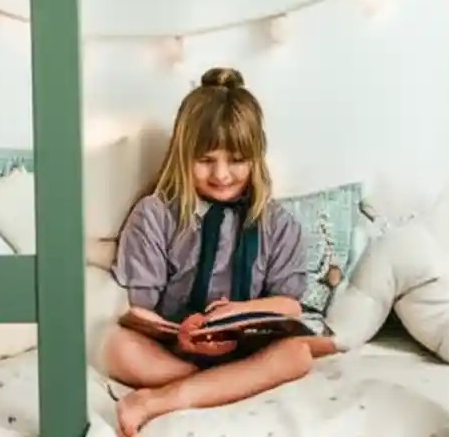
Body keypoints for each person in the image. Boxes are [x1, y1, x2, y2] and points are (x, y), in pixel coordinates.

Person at [104, 66, 336, 436]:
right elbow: (137, 311)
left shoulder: (278, 224)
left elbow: (289, 305)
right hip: (173, 352)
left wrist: (240, 313)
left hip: (246, 350)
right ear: (183, 154)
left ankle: (160, 399)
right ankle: (222, 384)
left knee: (295, 356)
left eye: (237, 161)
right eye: (206, 160)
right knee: (112, 346)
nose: (222, 175)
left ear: (256, 158)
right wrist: (181, 334)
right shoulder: (156, 215)